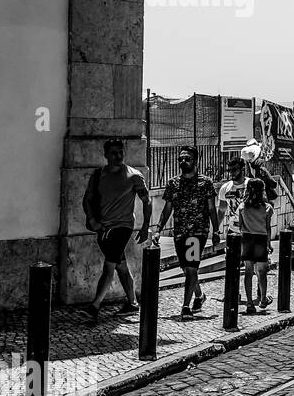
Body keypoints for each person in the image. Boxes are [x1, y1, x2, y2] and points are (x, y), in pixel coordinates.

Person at [82, 138, 152, 324]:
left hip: (123, 227)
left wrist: (145, 226)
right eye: (114, 153)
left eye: (121, 152)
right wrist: (92, 221)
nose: (118, 156)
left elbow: (147, 200)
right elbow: (87, 199)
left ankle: (94, 306)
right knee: (121, 265)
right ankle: (132, 303)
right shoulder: (98, 175)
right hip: (103, 229)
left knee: (110, 265)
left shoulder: (134, 175)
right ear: (106, 155)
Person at [157, 146, 219, 318]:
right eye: (181, 159)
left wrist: (216, 231)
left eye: (187, 159)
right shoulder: (173, 183)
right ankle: (199, 295)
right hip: (179, 232)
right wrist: (158, 230)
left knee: (191, 269)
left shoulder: (205, 182)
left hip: (197, 232)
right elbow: (167, 209)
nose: (183, 162)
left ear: (195, 161)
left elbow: (212, 208)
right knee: (186, 269)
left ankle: (186, 307)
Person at [239, 178, 274, 312]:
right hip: (261, 239)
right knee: (261, 271)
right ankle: (263, 298)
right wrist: (269, 244)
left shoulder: (242, 207)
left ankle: (249, 303)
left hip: (247, 239)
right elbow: (268, 227)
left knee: (248, 272)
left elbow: (240, 226)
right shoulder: (267, 208)